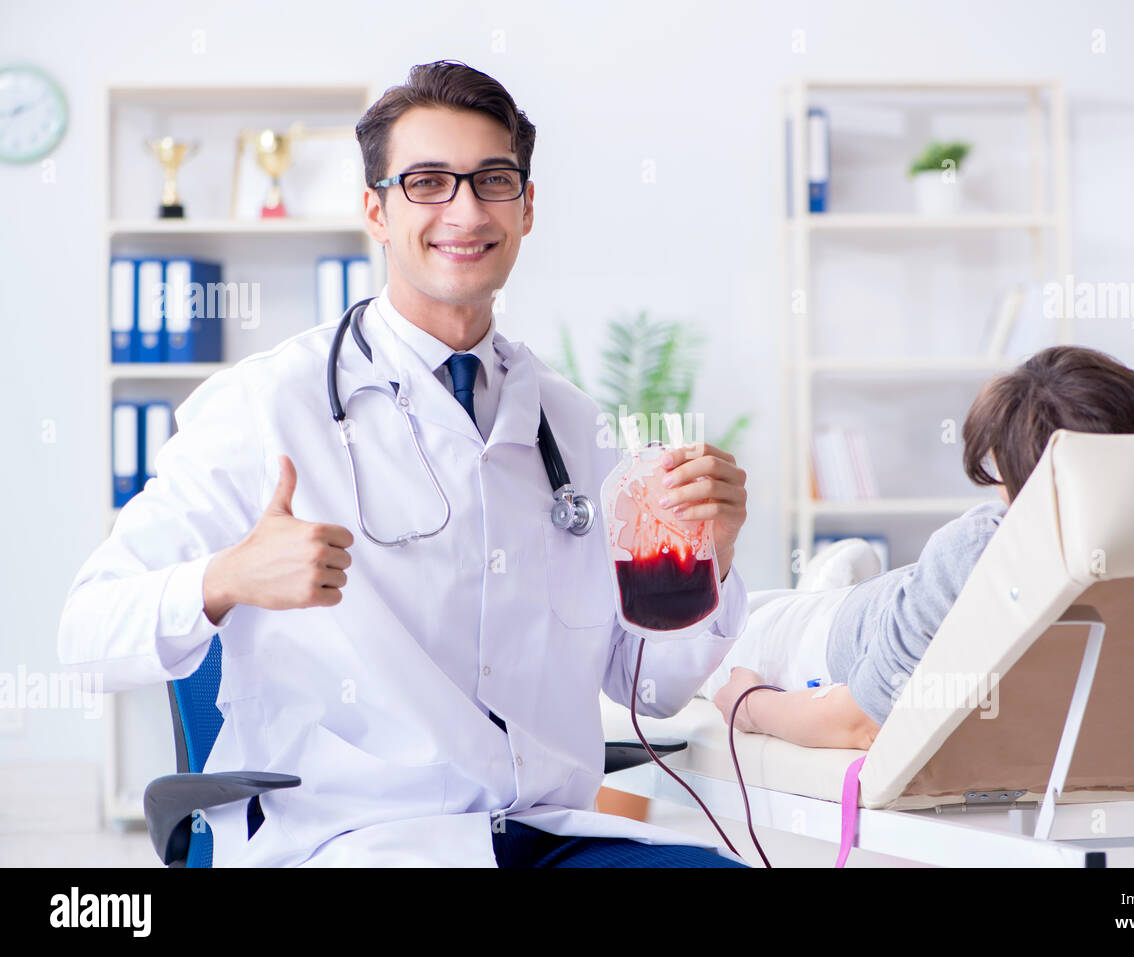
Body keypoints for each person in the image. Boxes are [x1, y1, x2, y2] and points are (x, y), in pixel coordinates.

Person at [58, 61, 752, 868]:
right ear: (375, 212)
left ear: (527, 209)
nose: (464, 208)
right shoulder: (266, 405)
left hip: (548, 833)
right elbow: (86, 635)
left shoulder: (576, 427)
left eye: (493, 180)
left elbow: (649, 688)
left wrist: (714, 554)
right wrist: (225, 578)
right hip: (353, 839)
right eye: (426, 181)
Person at [707, 345, 1134, 750]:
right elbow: (857, 717)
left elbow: (861, 722)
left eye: (1004, 474)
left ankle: (838, 577)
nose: (1001, 493)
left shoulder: (990, 552)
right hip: (815, 639)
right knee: (705, 637)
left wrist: (751, 709)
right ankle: (834, 583)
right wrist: (750, 703)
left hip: (898, 606)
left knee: (897, 590)